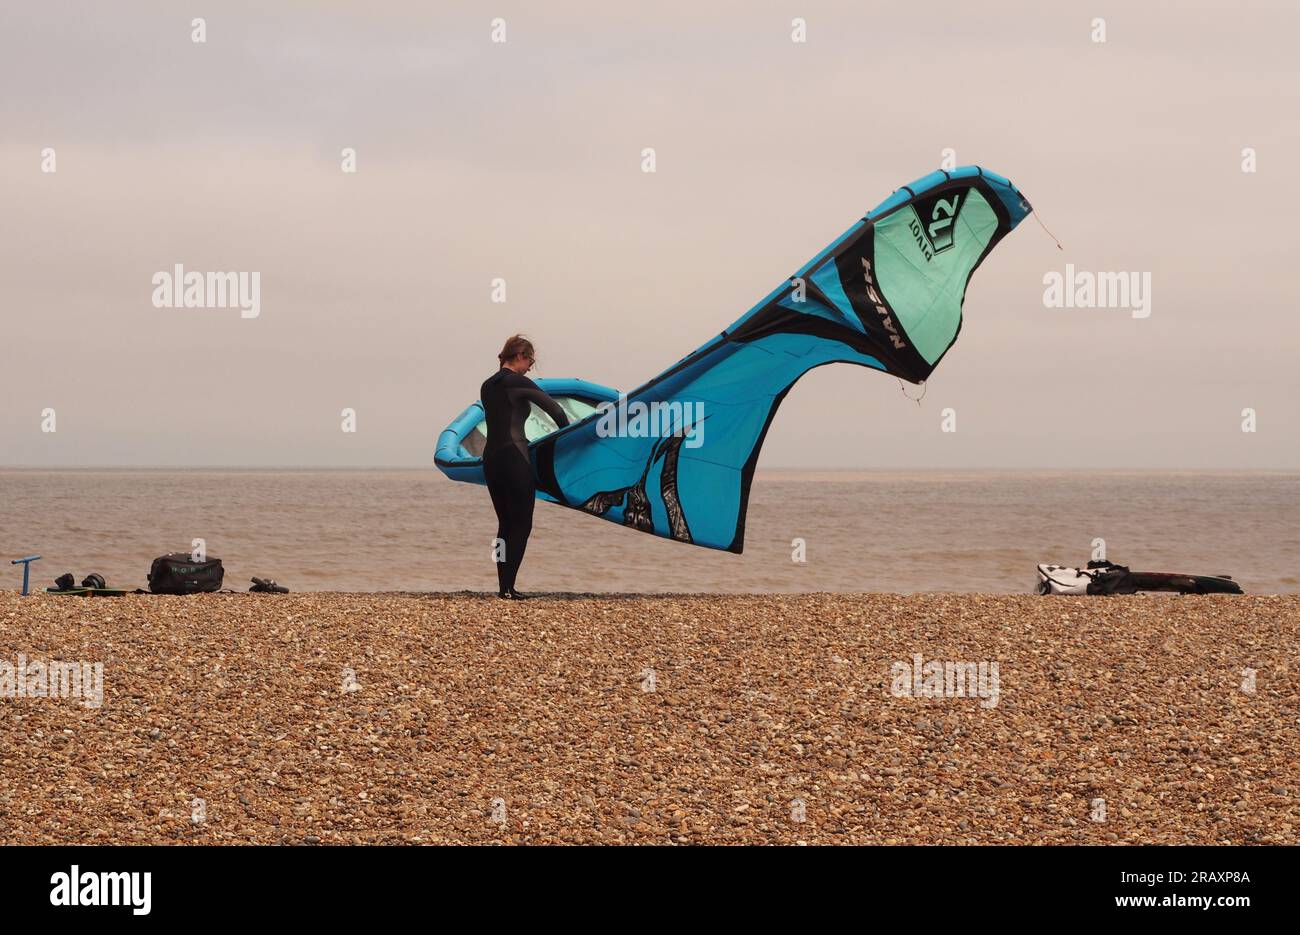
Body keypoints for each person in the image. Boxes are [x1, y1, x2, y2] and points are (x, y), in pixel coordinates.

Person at [480, 335, 570, 599]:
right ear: (520, 356)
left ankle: (502, 587)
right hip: (514, 458)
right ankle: (510, 587)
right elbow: (557, 411)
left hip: (491, 460)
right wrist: (570, 443)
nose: (530, 366)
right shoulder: (518, 382)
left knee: (504, 524)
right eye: (530, 360)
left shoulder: (487, 386)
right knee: (521, 524)